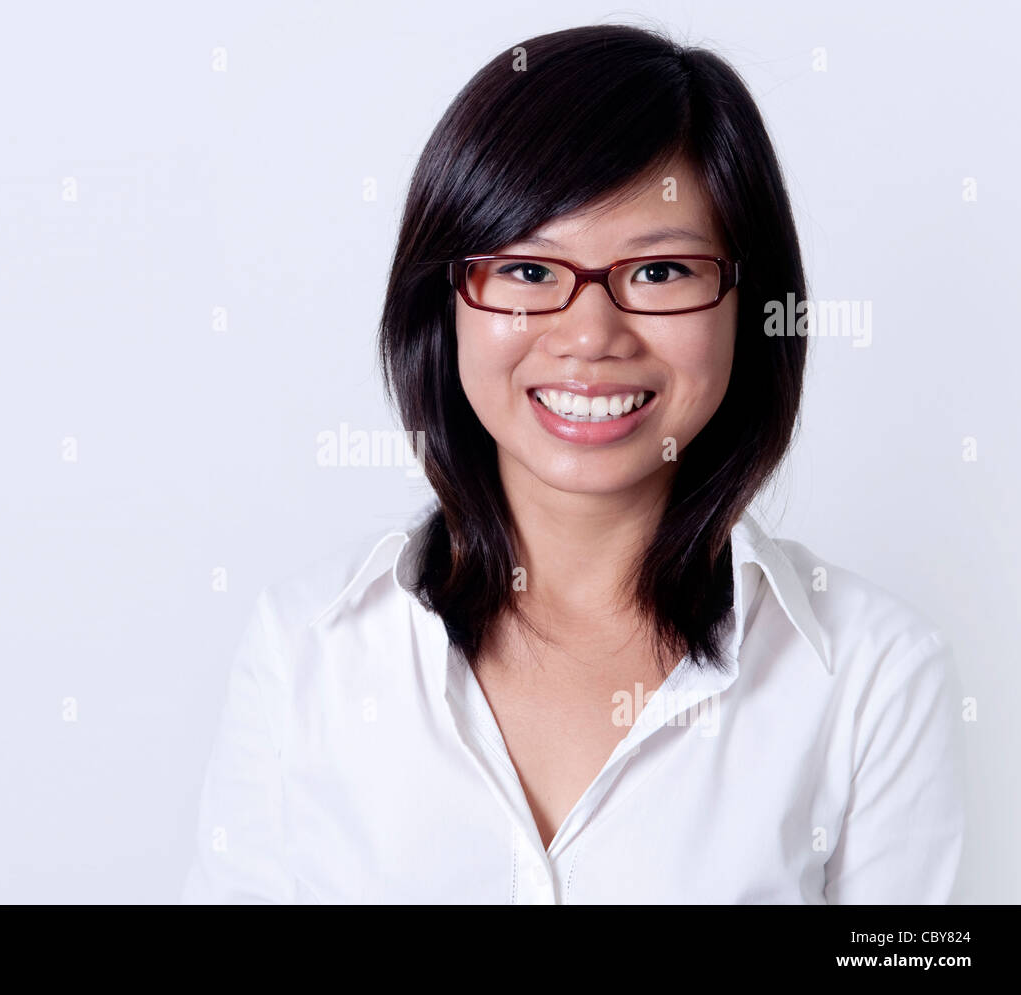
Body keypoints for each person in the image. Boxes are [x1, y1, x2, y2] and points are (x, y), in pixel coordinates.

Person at [180, 23, 965, 903]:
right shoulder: (307, 651)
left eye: (661, 269)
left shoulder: (874, 676)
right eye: (527, 269)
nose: (591, 334)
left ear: (752, 303)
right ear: (445, 304)